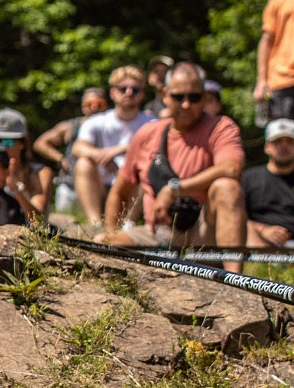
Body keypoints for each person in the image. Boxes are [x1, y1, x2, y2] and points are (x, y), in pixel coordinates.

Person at [103, 64, 245, 271]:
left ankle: (236, 280)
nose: (186, 104)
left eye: (194, 97)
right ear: (165, 95)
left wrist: (175, 189)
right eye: (179, 97)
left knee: (227, 187)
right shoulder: (147, 133)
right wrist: (110, 231)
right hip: (158, 234)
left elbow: (232, 168)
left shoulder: (221, 127)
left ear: (205, 97)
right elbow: (120, 191)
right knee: (103, 242)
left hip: (203, 232)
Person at [71, 66, 154, 225]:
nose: (129, 93)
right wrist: (101, 155)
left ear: (142, 94)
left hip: (134, 188)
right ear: (113, 92)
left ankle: (128, 224)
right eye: (123, 89)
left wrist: (120, 150)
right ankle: (95, 224)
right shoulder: (97, 121)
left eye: (135, 90)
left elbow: (156, 152)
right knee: (83, 163)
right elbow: (78, 147)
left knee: (146, 166)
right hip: (102, 186)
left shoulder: (152, 123)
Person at [0, 107, 52, 221]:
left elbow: (38, 221)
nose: (1, 147)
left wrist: (16, 190)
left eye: (8, 142)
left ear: (22, 143)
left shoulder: (39, 173)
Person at [243, 118, 294, 247]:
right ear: (267, 146)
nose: (284, 146)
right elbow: (235, 217)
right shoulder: (248, 178)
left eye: (290, 141)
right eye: (278, 141)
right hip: (255, 243)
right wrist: (263, 230)